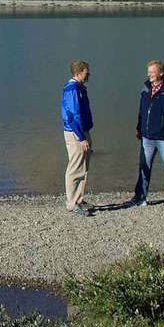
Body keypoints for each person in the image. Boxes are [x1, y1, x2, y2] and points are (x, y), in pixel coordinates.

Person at [127, 59, 164, 209]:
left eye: (152, 72)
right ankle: (140, 197)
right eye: (148, 72)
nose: (149, 74)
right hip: (147, 137)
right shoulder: (145, 89)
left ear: (161, 73)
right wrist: (139, 129)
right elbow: (141, 112)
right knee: (144, 167)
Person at [62, 60, 95, 216]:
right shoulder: (72, 89)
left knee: (83, 167)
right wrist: (82, 138)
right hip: (76, 133)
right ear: (78, 73)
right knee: (75, 168)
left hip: (82, 131)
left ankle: (79, 199)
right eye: (86, 71)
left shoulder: (79, 88)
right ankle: (72, 203)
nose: (88, 74)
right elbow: (72, 116)